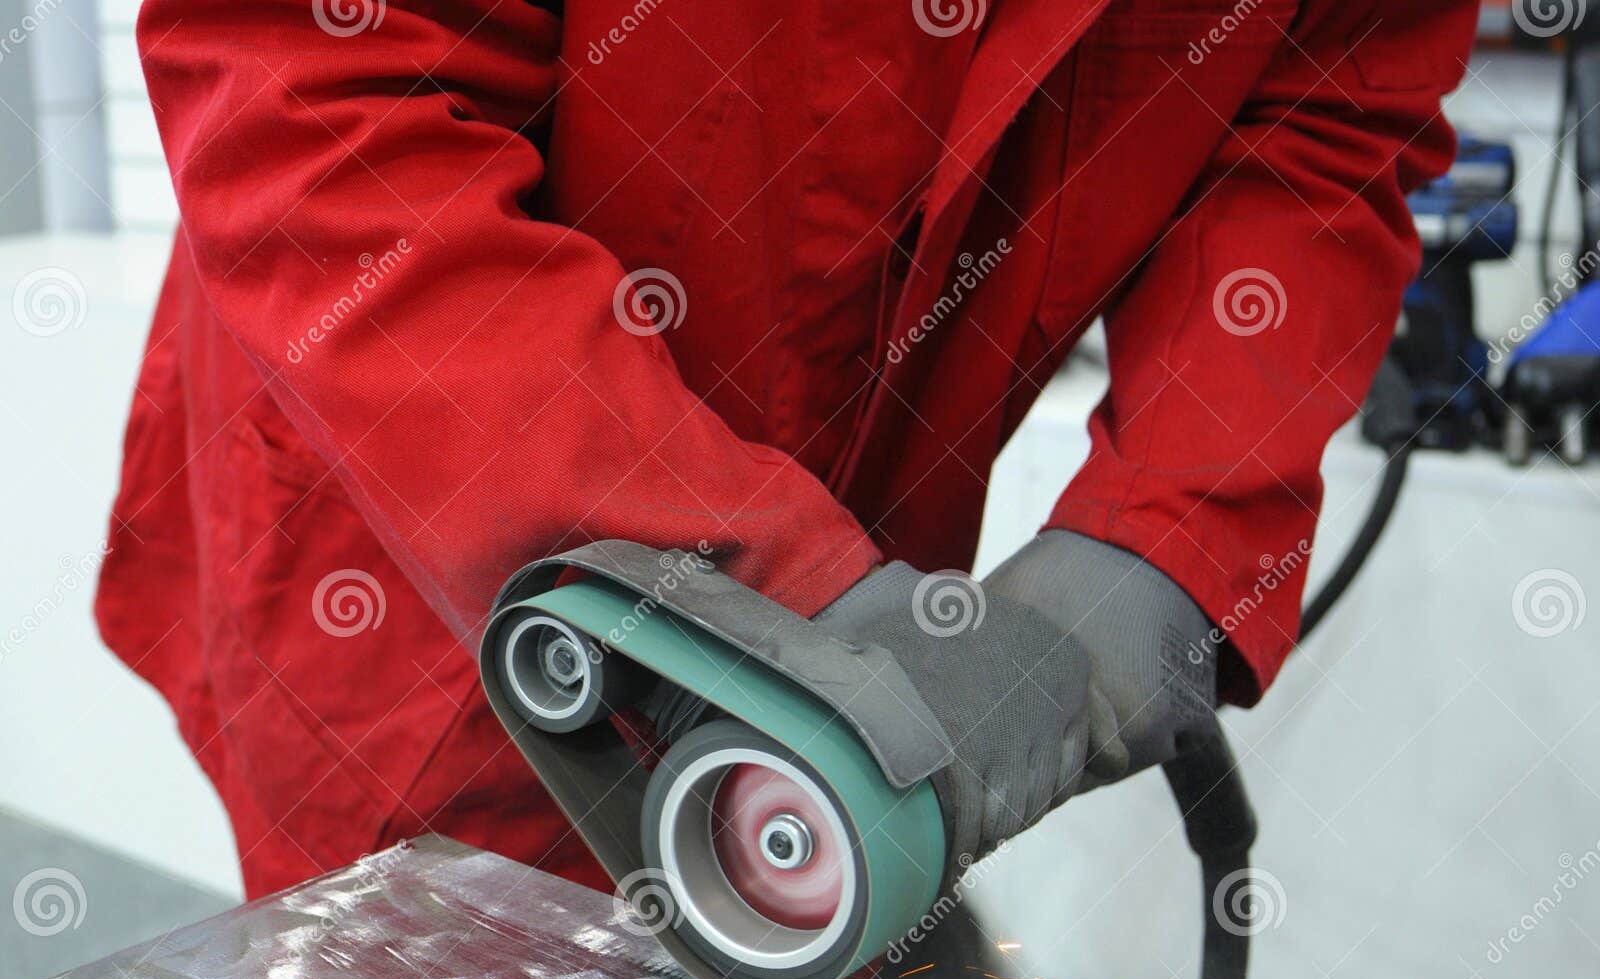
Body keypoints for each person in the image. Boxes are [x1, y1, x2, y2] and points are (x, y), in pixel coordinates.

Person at [98, 0, 1475, 898]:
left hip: (857, 592)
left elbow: (1320, 126)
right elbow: (327, 95)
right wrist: (759, 587)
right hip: (421, 551)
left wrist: (1164, 538)